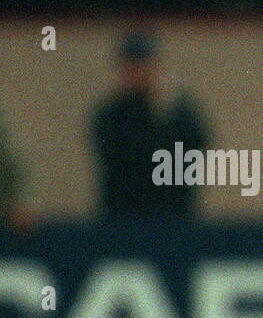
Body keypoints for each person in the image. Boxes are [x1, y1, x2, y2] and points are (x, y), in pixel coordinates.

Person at [89, 30, 210, 220]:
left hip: (174, 219)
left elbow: (194, 151)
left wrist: (163, 115)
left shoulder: (180, 112)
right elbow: (126, 163)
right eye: (133, 68)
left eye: (145, 67)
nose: (139, 75)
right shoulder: (109, 116)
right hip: (121, 219)